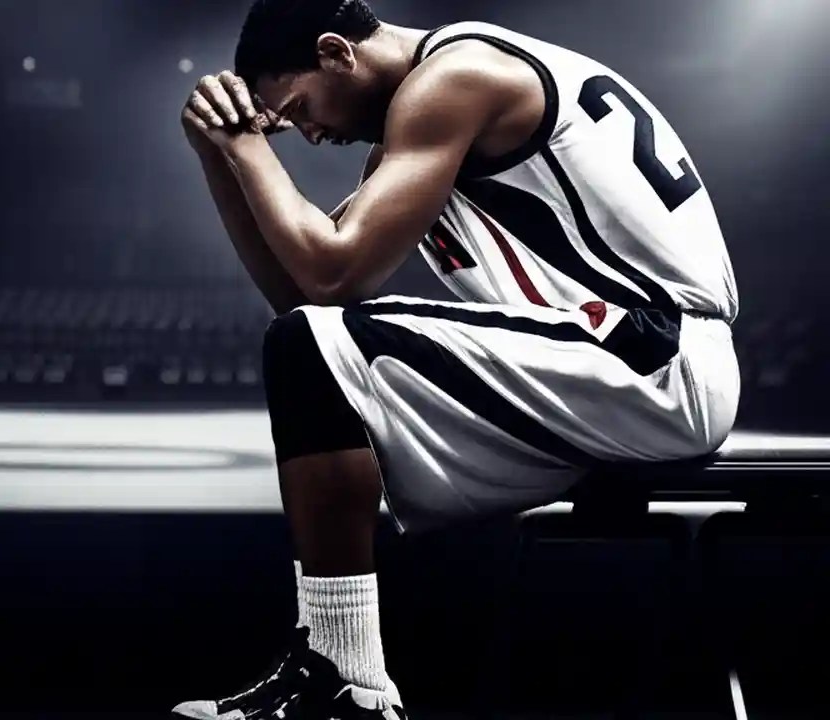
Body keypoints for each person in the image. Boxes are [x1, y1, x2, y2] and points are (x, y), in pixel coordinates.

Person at [174, 0, 740, 718]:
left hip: (656, 358)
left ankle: (348, 683)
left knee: (311, 346)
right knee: (308, 347)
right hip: (614, 361)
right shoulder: (422, 121)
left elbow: (332, 276)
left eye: (298, 108)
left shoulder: (456, 79)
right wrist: (220, 155)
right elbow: (298, 297)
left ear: (336, 53)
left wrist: (249, 148)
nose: (306, 134)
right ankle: (336, 671)